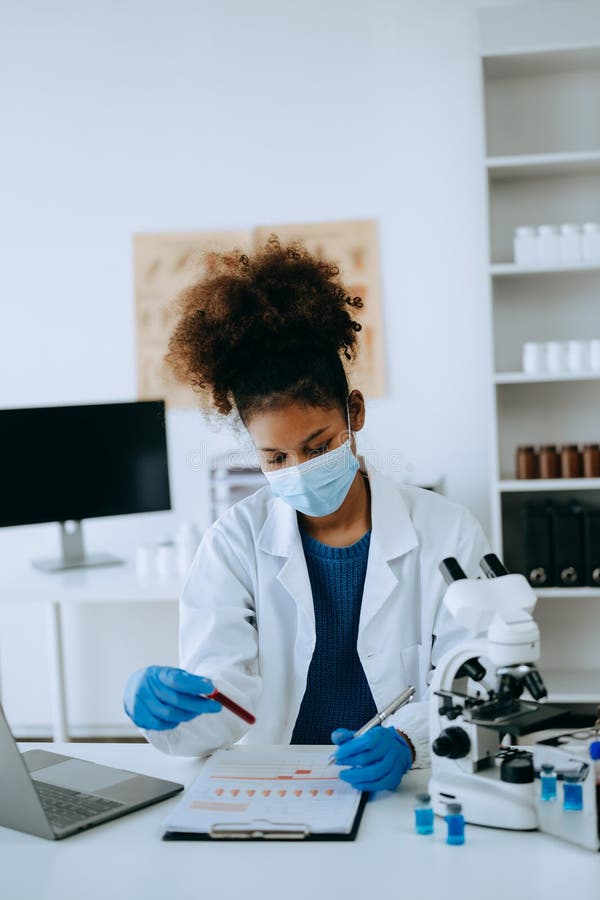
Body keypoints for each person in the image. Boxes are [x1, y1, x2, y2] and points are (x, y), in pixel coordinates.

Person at [123, 235, 491, 793]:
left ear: (356, 412)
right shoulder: (233, 543)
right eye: (275, 457)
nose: (299, 469)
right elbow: (226, 699)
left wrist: (410, 738)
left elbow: (479, 674)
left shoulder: (447, 530)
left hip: (406, 783)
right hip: (277, 785)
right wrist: (167, 710)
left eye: (318, 446)